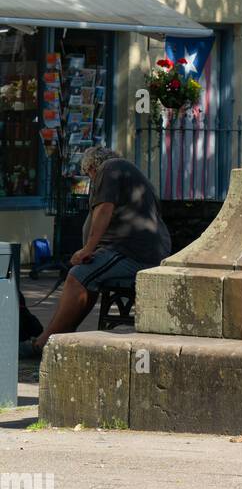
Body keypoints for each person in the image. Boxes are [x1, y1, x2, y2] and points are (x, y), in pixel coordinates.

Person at [19, 146, 171, 360]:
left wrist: (87, 250)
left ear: (91, 167)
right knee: (86, 276)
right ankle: (60, 338)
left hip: (131, 252)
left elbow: (104, 209)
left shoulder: (109, 169)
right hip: (139, 251)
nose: (91, 182)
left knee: (77, 276)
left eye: (88, 175)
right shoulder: (127, 172)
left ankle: (43, 344)